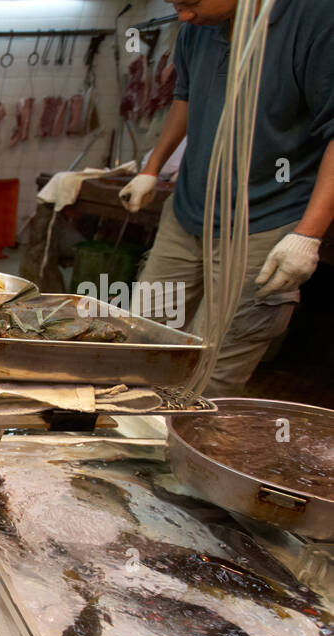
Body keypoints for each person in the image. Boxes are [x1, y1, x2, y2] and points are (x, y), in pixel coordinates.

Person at [120, 0, 334, 396]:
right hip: (187, 213)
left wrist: (308, 234)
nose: (183, 16)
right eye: (175, 5)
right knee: (141, 342)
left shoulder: (316, 19)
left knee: (209, 371)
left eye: (190, 4)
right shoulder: (198, 26)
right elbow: (185, 98)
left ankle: (181, 453)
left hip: (262, 222)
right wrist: (152, 168)